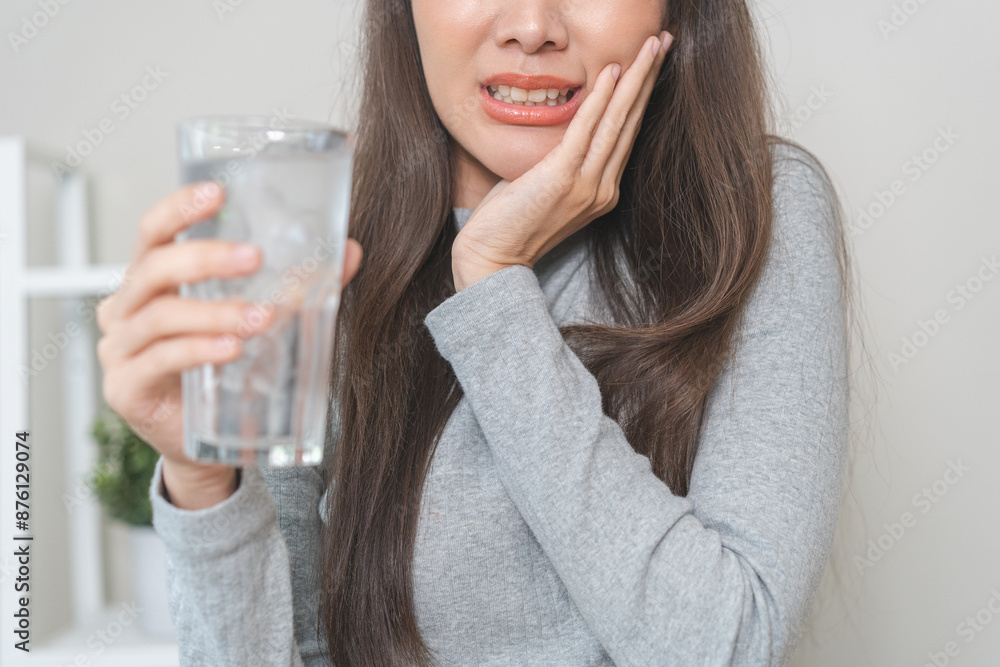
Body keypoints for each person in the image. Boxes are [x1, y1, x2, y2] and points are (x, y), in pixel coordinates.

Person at [95, 0, 858, 665]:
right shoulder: (321, 247)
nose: (531, 28)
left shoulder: (751, 213)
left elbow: (723, 647)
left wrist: (493, 281)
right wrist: (203, 481)